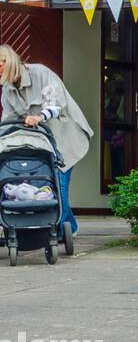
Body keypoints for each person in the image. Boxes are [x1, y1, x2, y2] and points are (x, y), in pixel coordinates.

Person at [0, 45, 93, 235]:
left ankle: (65, 230)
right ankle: (61, 225)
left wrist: (39, 117)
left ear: (7, 62)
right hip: (39, 144)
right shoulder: (8, 90)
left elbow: (57, 104)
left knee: (59, 185)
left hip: (64, 139)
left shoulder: (41, 73)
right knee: (40, 188)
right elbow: (8, 120)